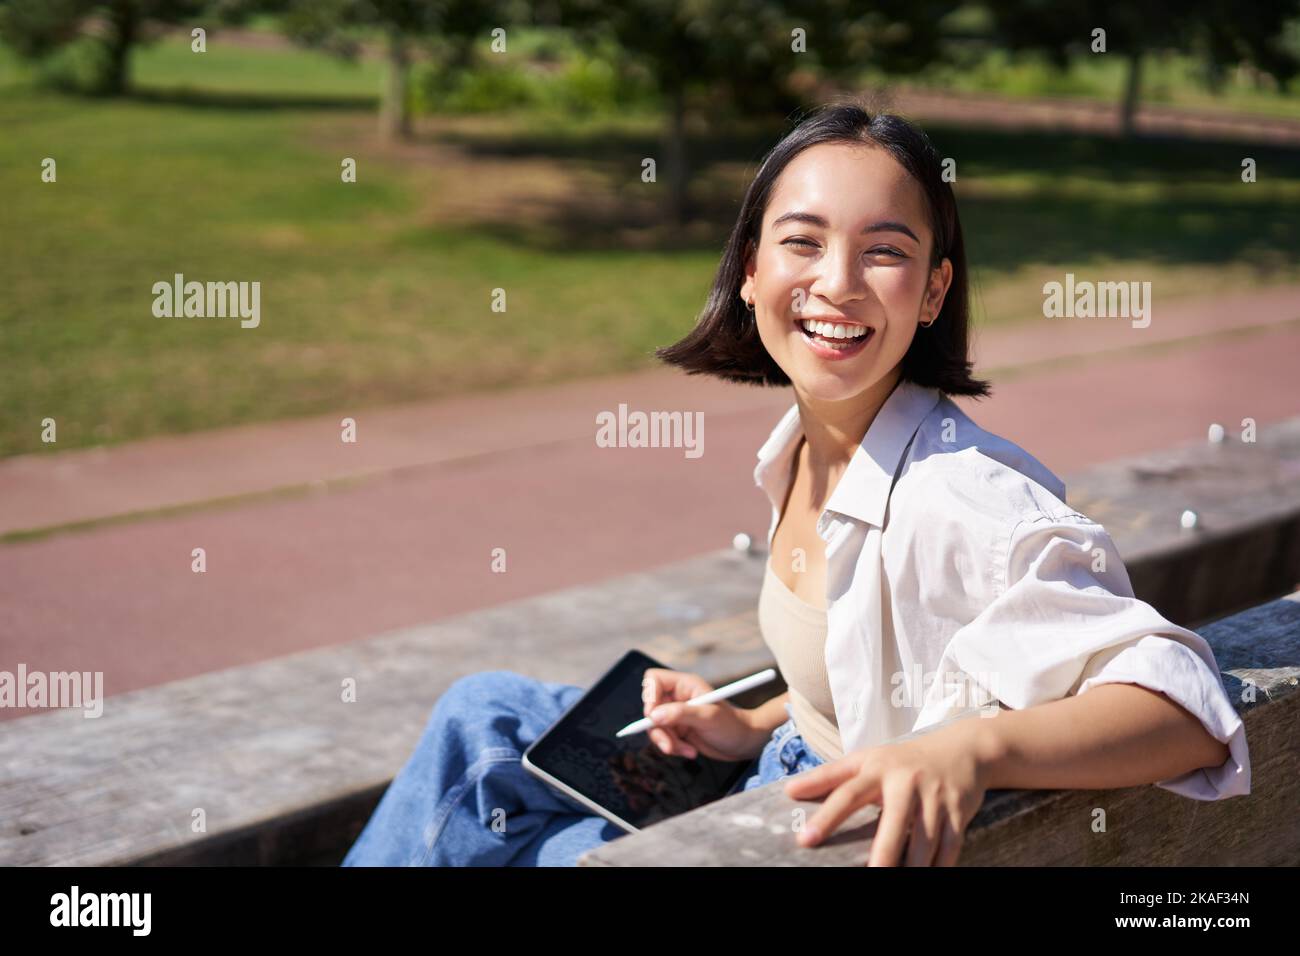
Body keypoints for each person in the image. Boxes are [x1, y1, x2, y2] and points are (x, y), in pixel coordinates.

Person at [342, 99, 1248, 868]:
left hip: (813, 822)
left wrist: (966, 752)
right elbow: (870, 652)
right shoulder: (808, 447)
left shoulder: (962, 498)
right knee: (483, 714)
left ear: (933, 292)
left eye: (882, 252)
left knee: (551, 850)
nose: (836, 284)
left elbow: (1184, 707)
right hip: (775, 758)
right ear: (749, 270)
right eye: (802, 243)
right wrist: (750, 717)